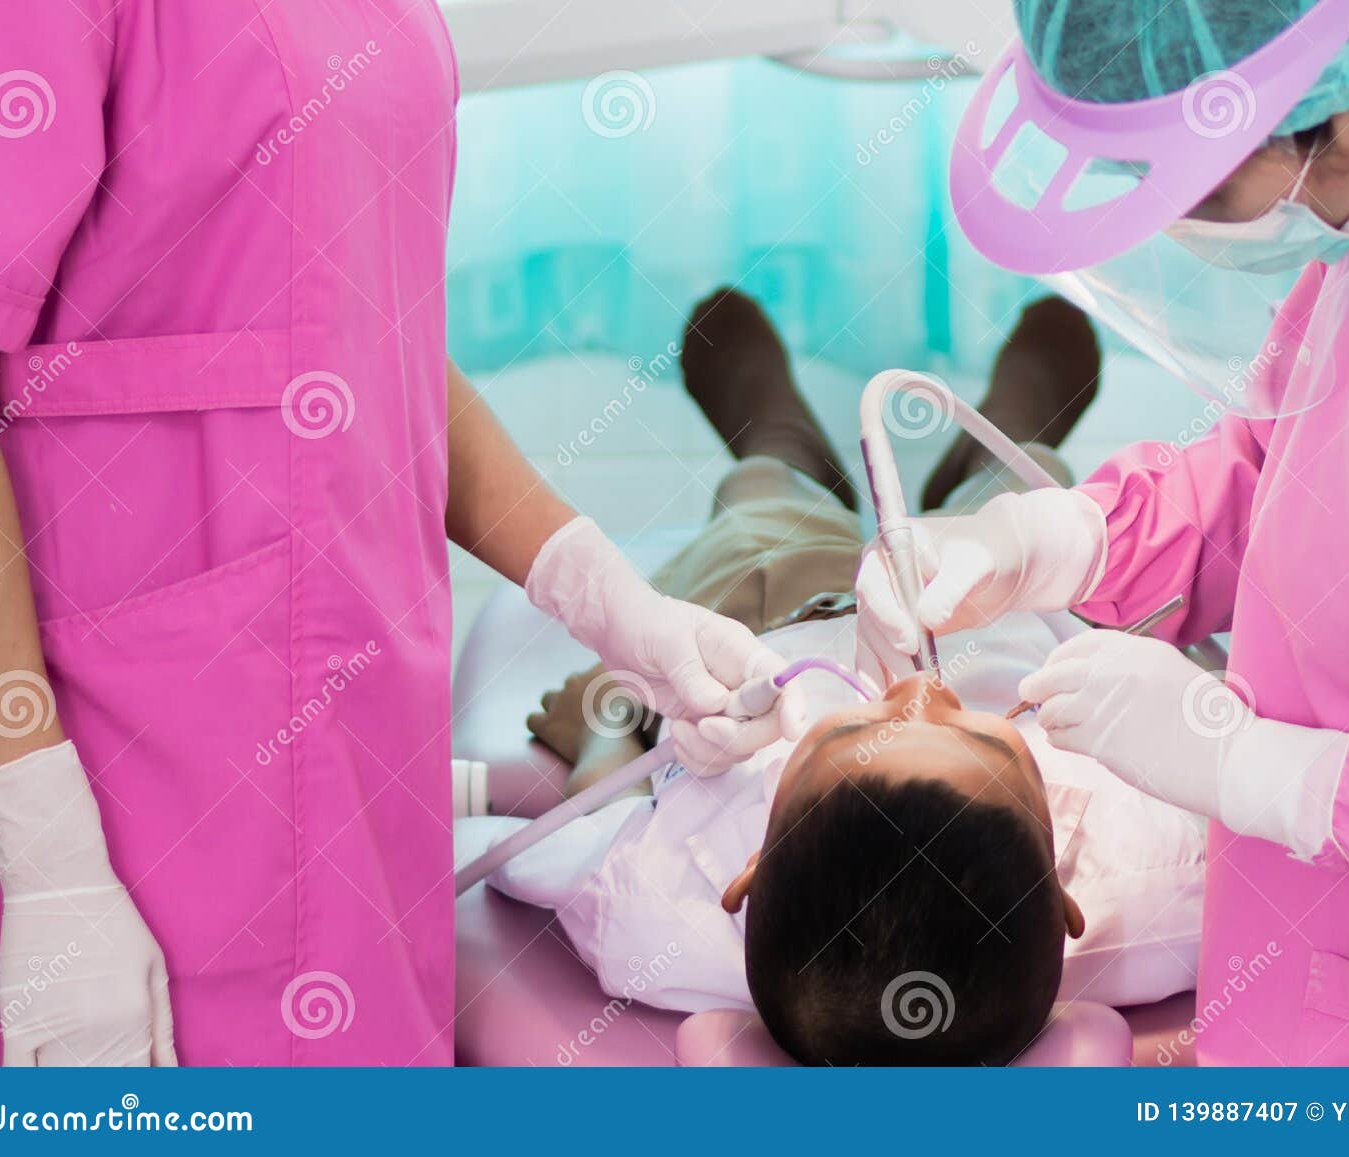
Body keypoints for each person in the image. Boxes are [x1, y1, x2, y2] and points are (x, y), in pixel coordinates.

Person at [0, 2, 794, 1067]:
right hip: (130, 782)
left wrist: (605, 597)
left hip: (363, 754)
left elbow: (366, 329)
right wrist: (46, 849)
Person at [861, 0, 1349, 1065]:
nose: (1173, 214)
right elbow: (1279, 478)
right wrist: (1055, 539)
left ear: (1329, 109)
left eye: (1192, 177)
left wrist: (1260, 771)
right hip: (1315, 1004)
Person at [478, 292, 1205, 1065]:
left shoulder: (649, 915)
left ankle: (778, 434)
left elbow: (530, 844)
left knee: (764, 495)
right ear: (1067, 903)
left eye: (857, 730)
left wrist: (618, 711)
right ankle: (1005, 442)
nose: (918, 690)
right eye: (975, 729)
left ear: (747, 877)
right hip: (1009, 611)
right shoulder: (1155, 884)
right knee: (1038, 493)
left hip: (765, 617)